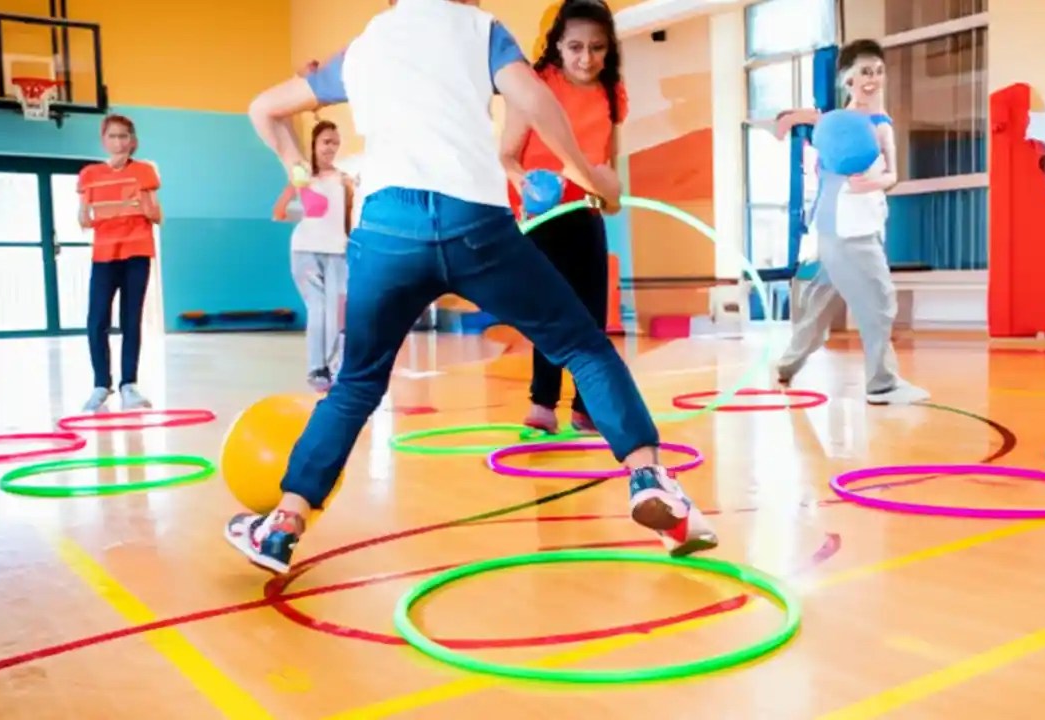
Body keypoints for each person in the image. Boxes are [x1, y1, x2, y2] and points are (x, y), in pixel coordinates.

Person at [226, 0, 717, 574]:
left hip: (386, 231)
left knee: (356, 384)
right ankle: (649, 478)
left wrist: (298, 172)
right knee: (583, 347)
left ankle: (283, 523)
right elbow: (535, 100)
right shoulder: (479, 29)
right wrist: (589, 176)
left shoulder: (363, 46)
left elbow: (264, 109)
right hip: (475, 226)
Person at [770, 39, 929, 406]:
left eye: (878, 71)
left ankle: (787, 364)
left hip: (844, 230)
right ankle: (882, 384)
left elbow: (892, 175)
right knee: (879, 300)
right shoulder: (836, 124)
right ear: (847, 80)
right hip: (848, 232)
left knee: (821, 302)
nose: (872, 79)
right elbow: (809, 122)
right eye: (864, 72)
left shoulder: (881, 125)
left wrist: (873, 182)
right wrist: (789, 120)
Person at [500, 0, 625, 436]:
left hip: (585, 211)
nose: (586, 58)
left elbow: (611, 159)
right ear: (557, 45)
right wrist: (527, 185)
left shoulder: (612, 92)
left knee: (592, 315)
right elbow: (506, 156)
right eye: (575, 47)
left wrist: (611, 194)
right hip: (542, 216)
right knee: (551, 310)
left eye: (597, 48)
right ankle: (543, 400)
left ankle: (585, 406)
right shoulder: (536, 86)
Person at [78, 114, 162, 412]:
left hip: (137, 252)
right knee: (97, 319)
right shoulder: (89, 174)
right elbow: (83, 219)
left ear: (133, 140)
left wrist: (140, 202)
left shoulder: (145, 171)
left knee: (131, 318)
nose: (118, 142)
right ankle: (101, 384)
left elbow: (156, 216)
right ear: (104, 140)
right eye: (112, 136)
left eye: (124, 136)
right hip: (104, 254)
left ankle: (129, 385)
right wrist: (101, 208)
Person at [273, 119, 353, 392]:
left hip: (338, 252)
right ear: (315, 145)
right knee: (318, 309)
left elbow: (348, 218)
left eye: (336, 142)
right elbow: (279, 212)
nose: (331, 147)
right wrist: (300, 195)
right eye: (326, 142)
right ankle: (316, 369)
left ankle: (335, 368)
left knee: (338, 313)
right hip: (305, 250)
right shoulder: (303, 176)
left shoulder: (345, 179)